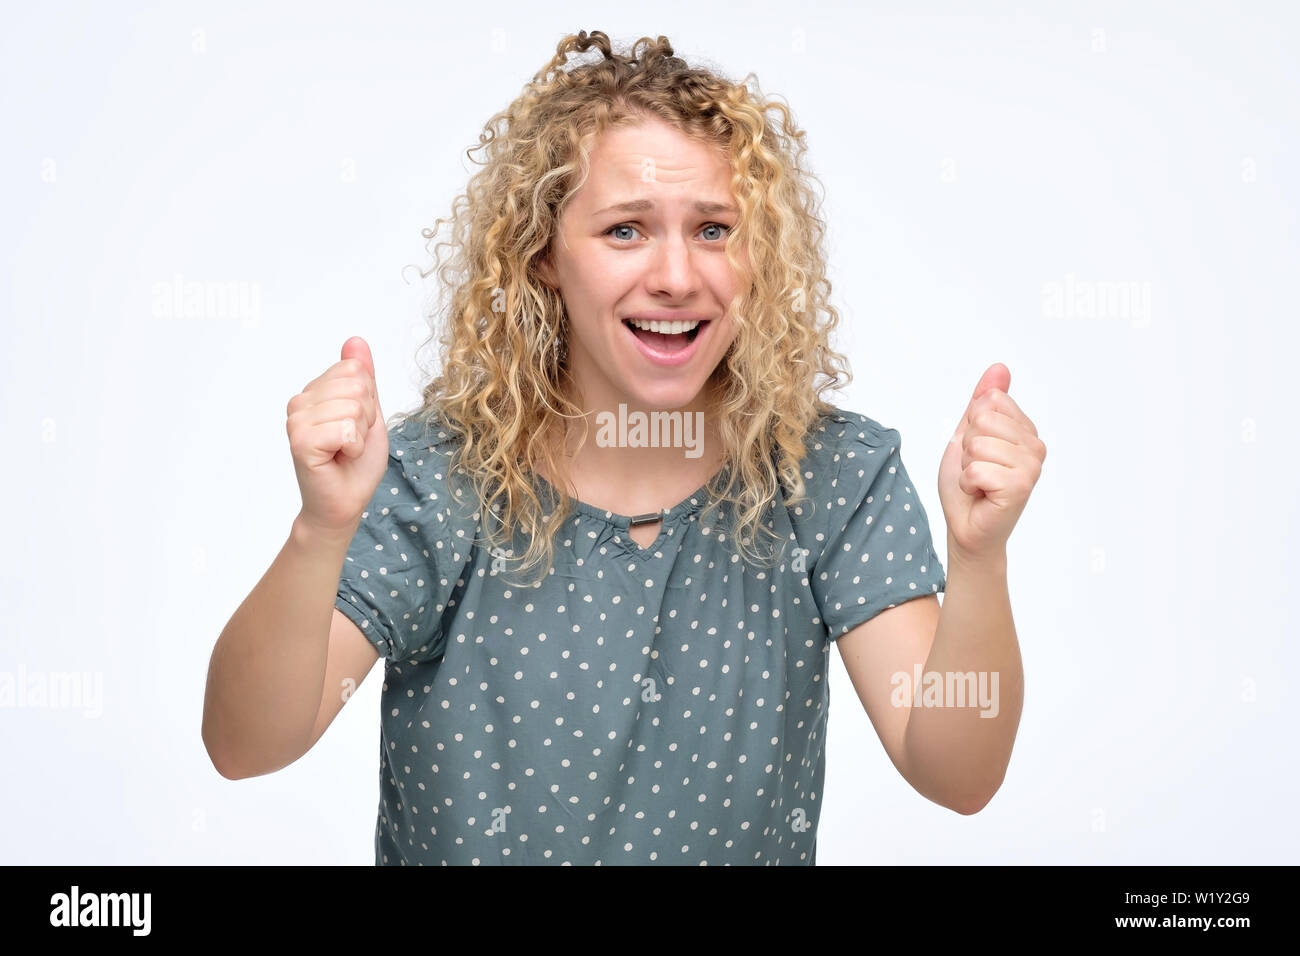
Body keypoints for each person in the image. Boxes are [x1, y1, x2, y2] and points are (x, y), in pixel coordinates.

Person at [202, 30, 1044, 865]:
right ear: (542, 256)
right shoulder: (435, 478)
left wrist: (979, 559)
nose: (677, 276)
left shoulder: (826, 476)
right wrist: (320, 532)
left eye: (714, 229)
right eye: (625, 231)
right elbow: (246, 746)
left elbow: (956, 774)